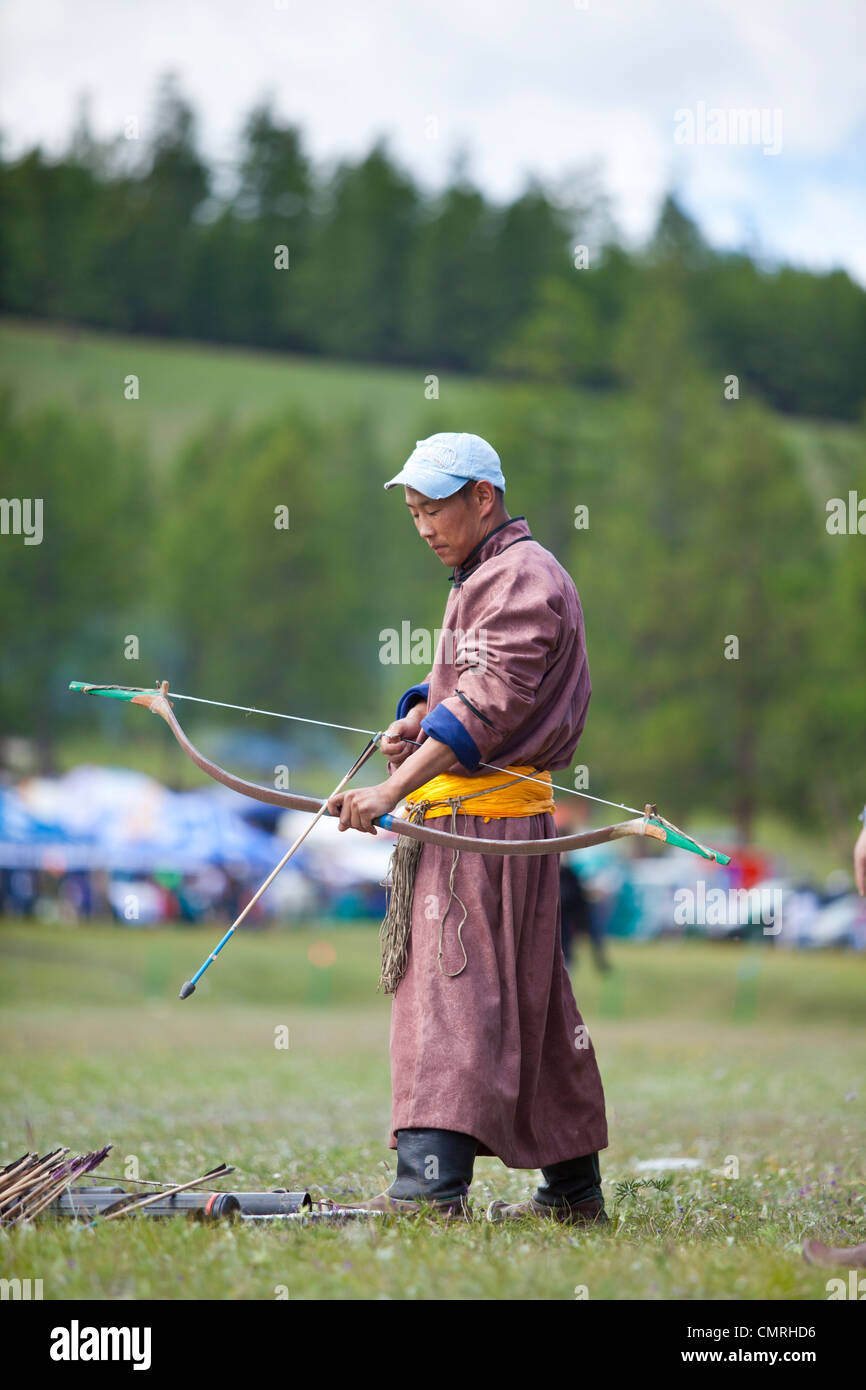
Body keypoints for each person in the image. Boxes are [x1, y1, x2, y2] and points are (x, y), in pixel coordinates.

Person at [327, 432, 609, 1225]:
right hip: (486, 824)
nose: (422, 525)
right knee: (531, 1003)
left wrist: (389, 790)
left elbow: (491, 703)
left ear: (483, 496)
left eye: (433, 507)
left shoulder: (519, 574)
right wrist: (419, 719)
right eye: (412, 510)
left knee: (445, 994)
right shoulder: (493, 572)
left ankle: (428, 1192)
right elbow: (467, 684)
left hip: (479, 831)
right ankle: (573, 1196)